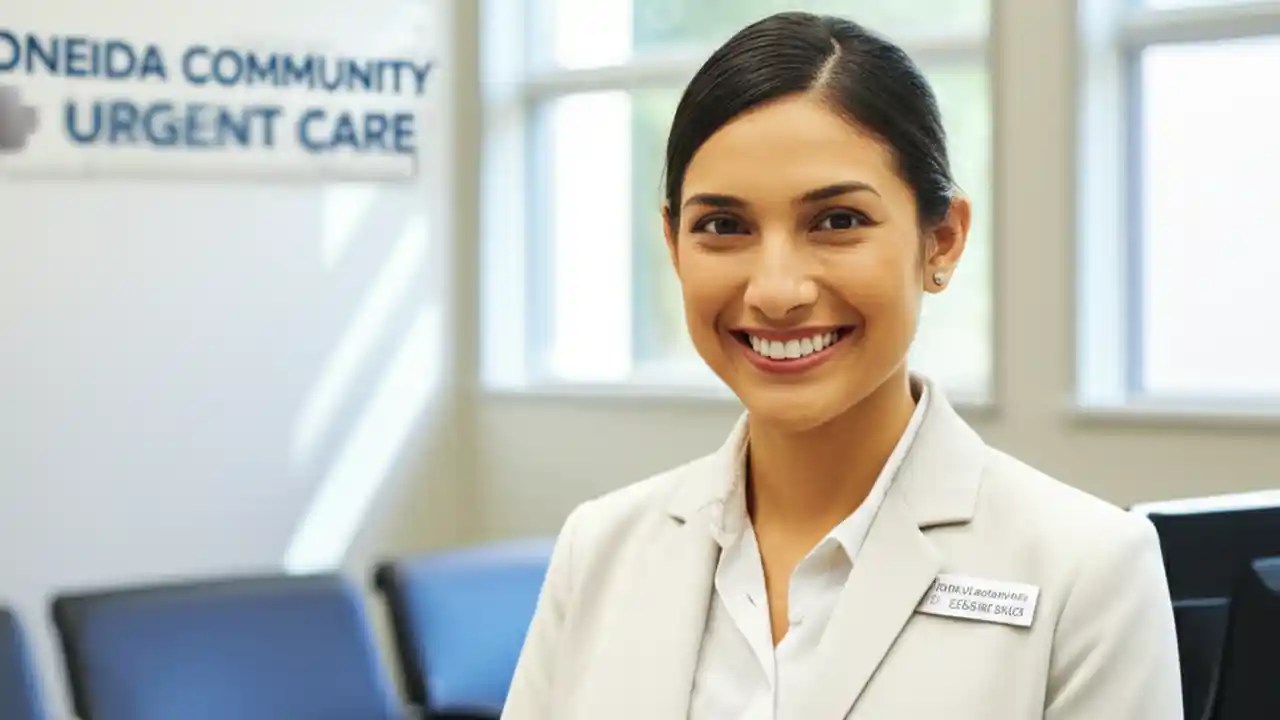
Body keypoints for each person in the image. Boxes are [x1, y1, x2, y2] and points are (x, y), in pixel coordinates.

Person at [502, 11, 1181, 720]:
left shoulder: (1088, 569)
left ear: (941, 240)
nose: (776, 291)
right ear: (673, 245)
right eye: (723, 227)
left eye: (837, 222)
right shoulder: (600, 549)